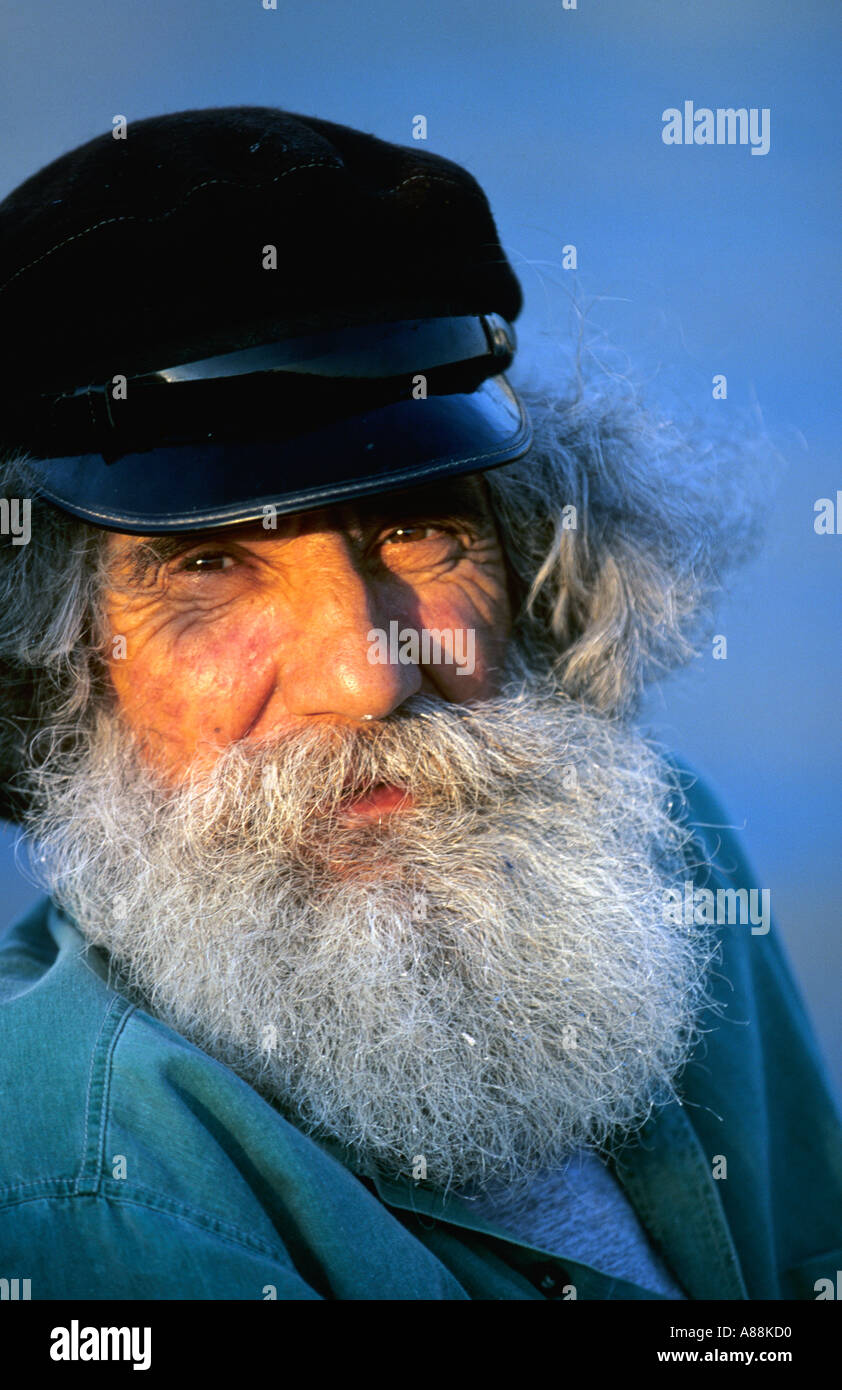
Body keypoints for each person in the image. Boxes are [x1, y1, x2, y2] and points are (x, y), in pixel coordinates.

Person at [0, 105, 838, 1302]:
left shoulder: (669, 860)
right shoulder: (91, 1186)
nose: (368, 672)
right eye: (210, 565)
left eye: (419, 527)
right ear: (57, 656)